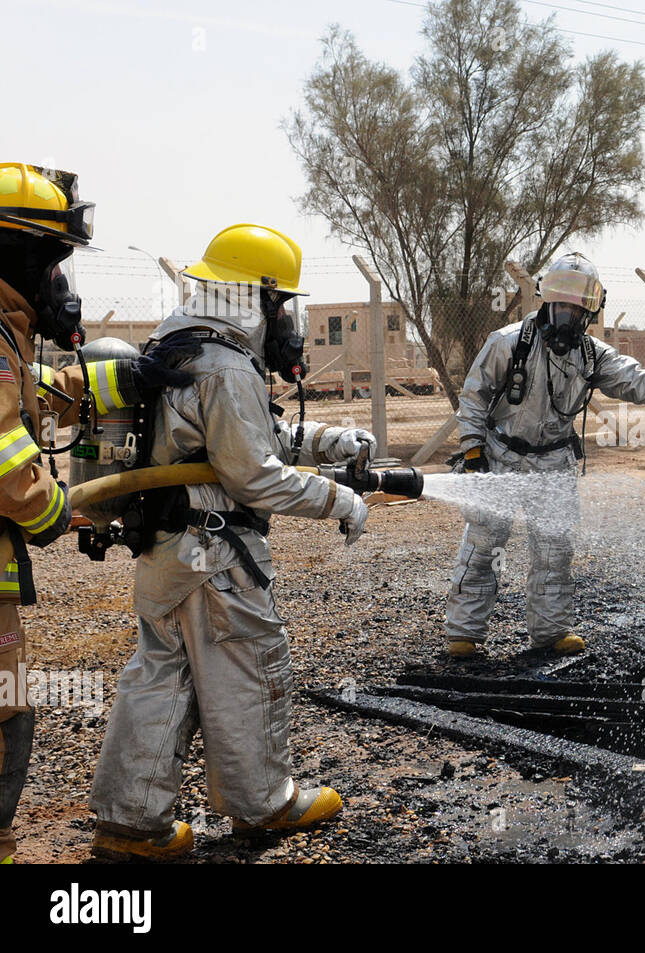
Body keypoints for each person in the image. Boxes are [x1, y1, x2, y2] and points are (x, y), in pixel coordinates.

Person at [87, 223, 375, 861]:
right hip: (216, 555)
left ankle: (130, 826)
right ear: (256, 297)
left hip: (166, 550)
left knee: (162, 677)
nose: (288, 320)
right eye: (282, 305)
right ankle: (264, 804)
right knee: (249, 664)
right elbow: (254, 475)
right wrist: (340, 499)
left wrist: (333, 442)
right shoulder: (224, 365)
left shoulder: (180, 341)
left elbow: (241, 438)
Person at [0, 162, 201, 863]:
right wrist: (60, 509)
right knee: (6, 707)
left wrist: (125, 374)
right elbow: (5, 466)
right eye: (55, 265)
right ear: (18, 254)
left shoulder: (7, 335)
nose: (62, 285)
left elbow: (40, 391)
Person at [446, 253, 645, 657]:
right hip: (500, 457)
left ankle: (550, 634)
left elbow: (637, 379)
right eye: (561, 305)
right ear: (546, 303)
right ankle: (463, 634)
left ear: (589, 311)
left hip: (554, 463)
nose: (567, 315)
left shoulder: (592, 356)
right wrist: (473, 450)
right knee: (484, 545)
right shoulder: (508, 342)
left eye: (575, 307)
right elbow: (474, 395)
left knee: (554, 552)